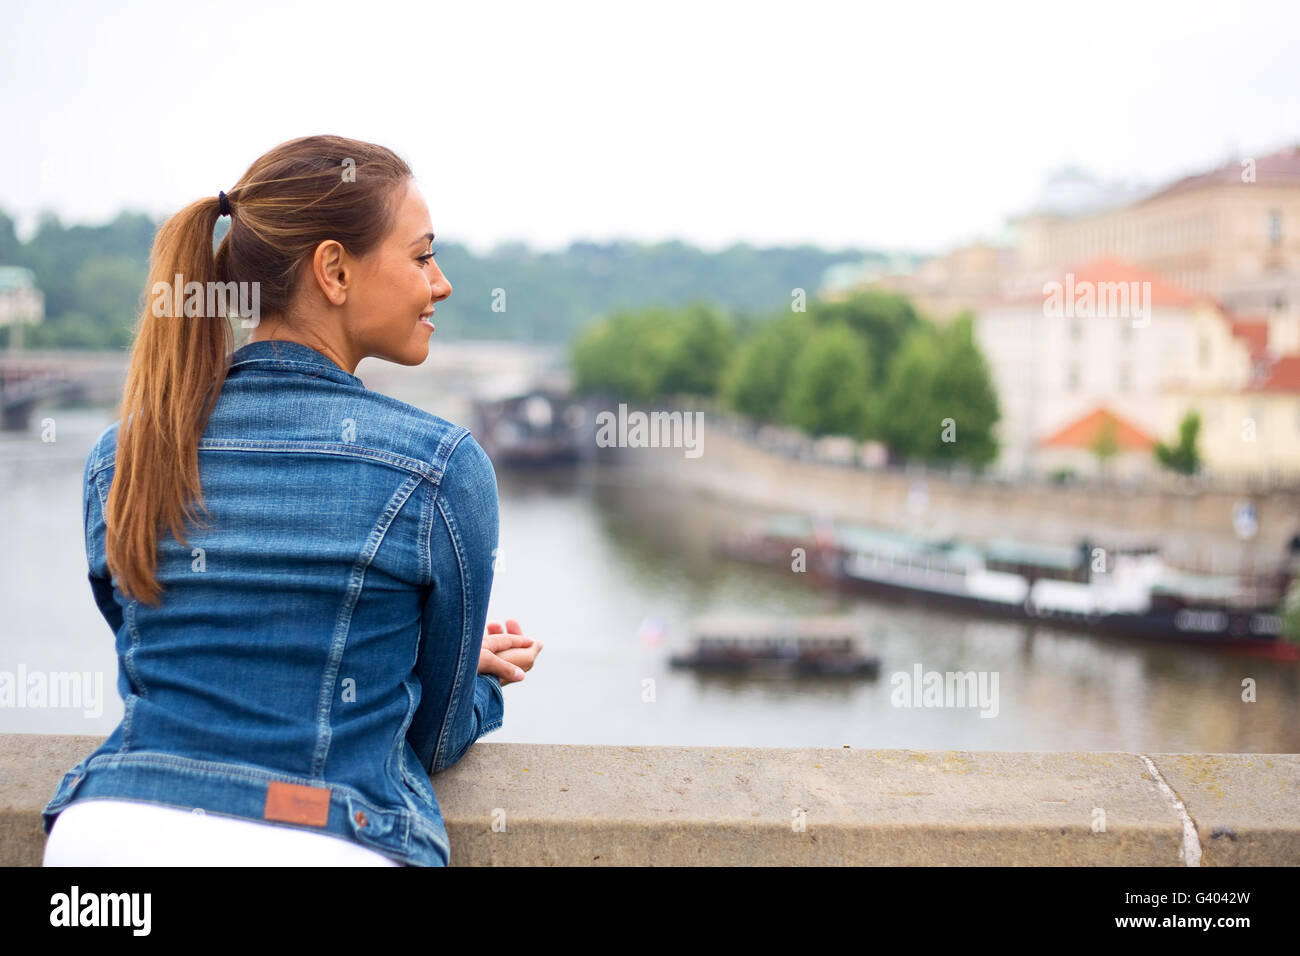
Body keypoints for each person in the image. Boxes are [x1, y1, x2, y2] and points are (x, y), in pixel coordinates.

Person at [41, 134, 541, 867]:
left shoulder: (122, 456)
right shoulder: (440, 467)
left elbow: (184, 669)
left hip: (107, 837)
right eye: (422, 254)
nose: (442, 283)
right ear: (334, 270)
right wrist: (478, 689)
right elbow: (433, 739)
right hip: (320, 842)